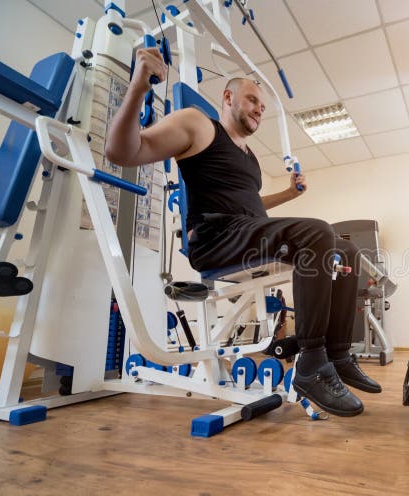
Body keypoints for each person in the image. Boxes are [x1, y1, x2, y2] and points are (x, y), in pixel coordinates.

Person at [105, 47, 380, 417]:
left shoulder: (250, 158)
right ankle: (312, 363)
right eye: (252, 100)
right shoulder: (199, 125)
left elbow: (252, 208)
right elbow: (122, 152)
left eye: (262, 107)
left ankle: (338, 354)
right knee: (318, 231)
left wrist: (289, 194)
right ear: (228, 97)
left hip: (245, 233)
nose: (259, 110)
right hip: (216, 239)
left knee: (344, 250)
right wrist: (139, 86)